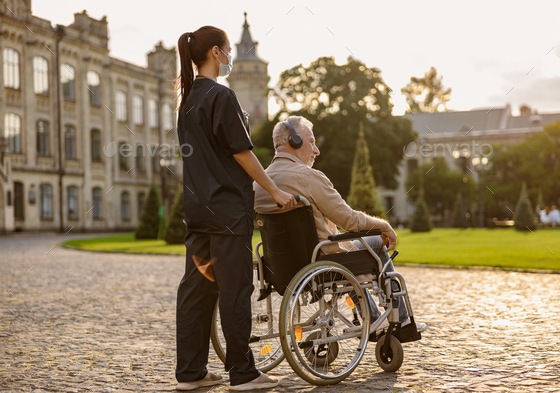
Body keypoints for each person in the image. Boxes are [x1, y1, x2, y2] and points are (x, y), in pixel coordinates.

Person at [174, 26, 297, 391]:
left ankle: (191, 373)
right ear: (216, 52)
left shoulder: (186, 101)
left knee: (196, 292)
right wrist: (274, 189)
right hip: (227, 212)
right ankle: (243, 373)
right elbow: (241, 153)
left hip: (198, 213)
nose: (230, 56)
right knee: (235, 291)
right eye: (227, 51)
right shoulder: (222, 96)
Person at [253, 116, 426, 334]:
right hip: (322, 260)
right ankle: (398, 321)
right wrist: (384, 225)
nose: (316, 151)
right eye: (311, 142)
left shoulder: (260, 183)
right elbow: (350, 221)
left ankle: (372, 318)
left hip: (280, 266)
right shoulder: (309, 177)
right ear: (293, 141)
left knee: (349, 249)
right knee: (373, 242)